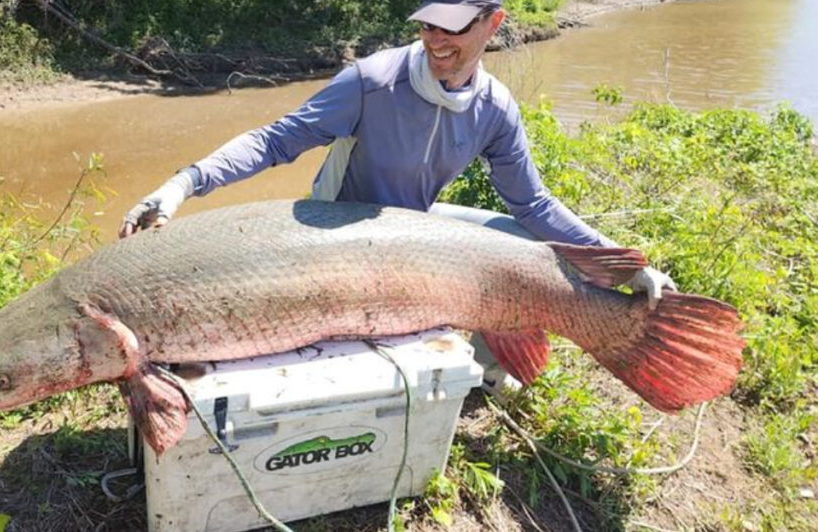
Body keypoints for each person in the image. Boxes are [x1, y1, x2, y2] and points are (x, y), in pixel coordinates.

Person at [117, 0, 676, 393]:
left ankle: (484, 369)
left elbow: (533, 203)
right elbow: (274, 141)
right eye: (429, 23)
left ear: (493, 23)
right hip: (332, 231)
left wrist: (626, 264)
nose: (436, 40)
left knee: (521, 241)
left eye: (453, 27)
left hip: (412, 227)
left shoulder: (494, 108)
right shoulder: (372, 81)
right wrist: (183, 183)